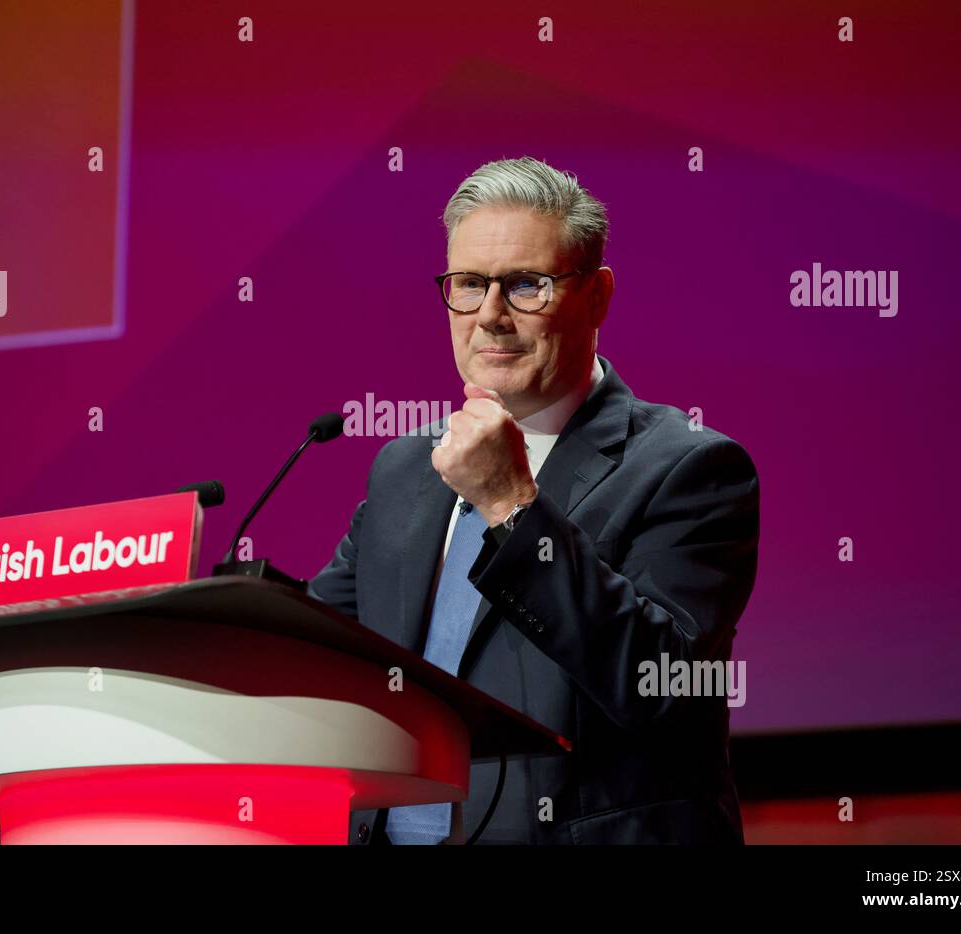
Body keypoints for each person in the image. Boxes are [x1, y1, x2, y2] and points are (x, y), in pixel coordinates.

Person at [308, 155, 759, 844]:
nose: (490, 316)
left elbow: (660, 685)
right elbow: (319, 644)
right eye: (468, 284)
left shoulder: (692, 469)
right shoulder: (406, 468)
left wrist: (511, 505)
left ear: (598, 296)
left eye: (526, 285)